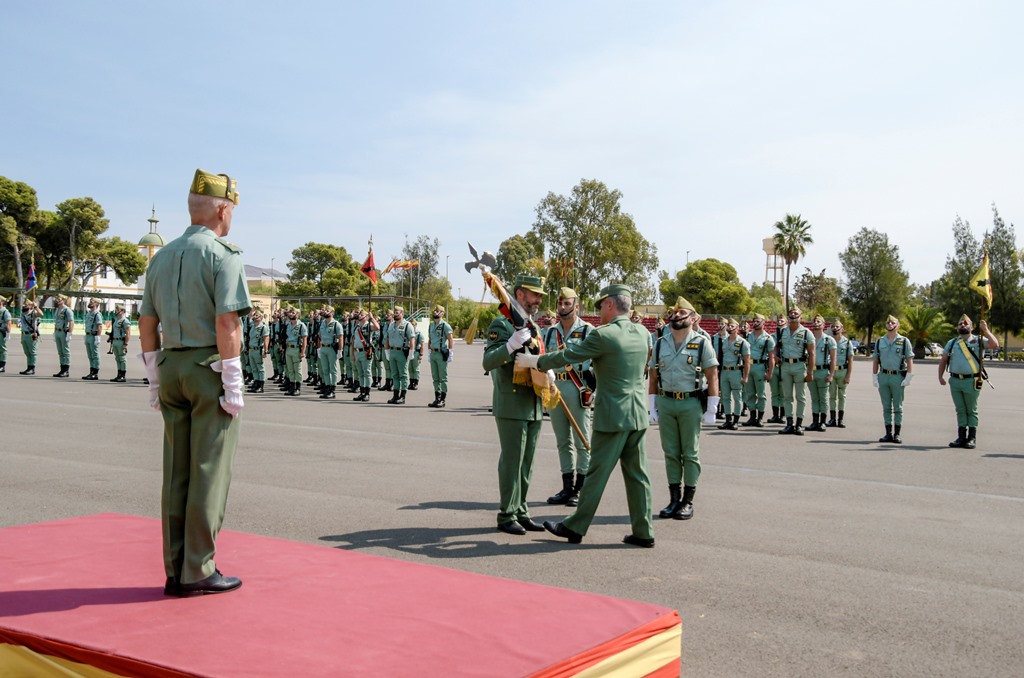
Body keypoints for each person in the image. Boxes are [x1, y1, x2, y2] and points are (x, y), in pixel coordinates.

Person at [138, 168, 250, 597]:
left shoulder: (162, 257)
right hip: (208, 369)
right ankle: (199, 568)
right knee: (208, 470)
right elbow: (228, 321)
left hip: (171, 368)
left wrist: (153, 376)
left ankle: (174, 568)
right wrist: (233, 378)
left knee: (176, 472)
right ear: (224, 209)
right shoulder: (224, 255)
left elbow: (147, 322)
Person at [522, 284, 656, 548]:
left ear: (609, 305)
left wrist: (536, 362)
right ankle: (644, 530)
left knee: (595, 474)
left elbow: (569, 355)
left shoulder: (604, 335)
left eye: (601, 306)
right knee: (639, 475)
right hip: (637, 414)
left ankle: (575, 525)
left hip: (612, 415)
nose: (600, 313)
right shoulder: (642, 332)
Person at [482, 274, 548, 536]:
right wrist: (509, 345)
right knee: (512, 460)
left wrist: (546, 369)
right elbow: (488, 362)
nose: (539, 299)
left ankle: (521, 510)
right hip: (511, 401)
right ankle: (506, 513)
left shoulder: (533, 325)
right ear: (519, 294)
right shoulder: (502, 323)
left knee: (527, 461)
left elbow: (537, 356)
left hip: (532, 401)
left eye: (540, 295)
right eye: (535, 294)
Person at [647, 297, 719, 521]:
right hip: (667, 401)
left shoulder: (702, 343)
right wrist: (652, 405)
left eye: (682, 313)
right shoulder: (660, 343)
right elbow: (653, 375)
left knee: (690, 453)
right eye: (674, 313)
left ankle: (688, 500)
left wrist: (712, 408)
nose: (676, 316)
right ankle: (673, 499)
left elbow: (712, 374)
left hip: (690, 402)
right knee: (670, 453)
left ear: (694, 318)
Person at [541, 288, 595, 507]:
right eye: (560, 303)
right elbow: (544, 359)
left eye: (567, 304)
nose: (562, 308)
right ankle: (567, 486)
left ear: (577, 305)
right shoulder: (549, 332)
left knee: (582, 440)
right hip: (555, 387)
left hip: (578, 386)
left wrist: (593, 391)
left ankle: (580, 488)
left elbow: (597, 364)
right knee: (563, 441)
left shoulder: (588, 331)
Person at [938, 314, 998, 449]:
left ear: (972, 327)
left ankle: (971, 438)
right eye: (960, 324)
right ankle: (961, 437)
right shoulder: (952, 343)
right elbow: (943, 361)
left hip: (972, 380)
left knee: (971, 410)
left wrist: (986, 330)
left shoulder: (978, 340)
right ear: (957, 327)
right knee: (960, 409)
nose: (963, 325)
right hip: (955, 380)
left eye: (966, 324)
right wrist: (940, 377)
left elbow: (995, 344)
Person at [871, 315, 914, 443]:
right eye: (888, 322)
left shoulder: (904, 341)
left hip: (897, 376)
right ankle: (888, 433)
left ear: (898, 325)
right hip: (883, 375)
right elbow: (876, 360)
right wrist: (874, 376)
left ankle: (897, 434)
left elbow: (909, 359)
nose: (890, 324)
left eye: (893, 322)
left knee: (898, 407)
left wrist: (908, 377)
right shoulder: (880, 341)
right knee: (886, 406)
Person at [776, 307, 816, 435]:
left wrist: (810, 373)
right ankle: (789, 423)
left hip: (799, 366)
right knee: (787, 396)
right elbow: (777, 346)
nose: (793, 315)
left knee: (800, 397)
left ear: (801, 317)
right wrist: (776, 355)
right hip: (786, 365)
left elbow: (812, 354)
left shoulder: (806, 333)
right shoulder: (782, 332)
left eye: (796, 313)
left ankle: (798, 424)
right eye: (791, 313)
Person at [741, 313, 775, 427]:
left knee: (761, 394)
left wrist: (770, 373)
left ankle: (760, 417)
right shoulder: (747, 337)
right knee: (749, 393)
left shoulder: (768, 338)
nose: (755, 323)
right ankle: (752, 416)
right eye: (754, 321)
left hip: (760, 367)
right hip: (748, 366)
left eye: (758, 321)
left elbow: (771, 357)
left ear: (763, 322)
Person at [716, 318, 749, 430]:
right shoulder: (724, 341)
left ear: (737, 328)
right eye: (729, 326)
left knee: (737, 397)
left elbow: (747, 361)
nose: (730, 327)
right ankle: (728, 420)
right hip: (725, 371)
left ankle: (736, 421)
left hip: (736, 371)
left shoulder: (742, 342)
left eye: (732, 326)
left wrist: (745, 376)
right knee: (725, 397)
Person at [805, 315, 837, 432]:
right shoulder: (809, 338)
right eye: (814, 321)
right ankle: (815, 421)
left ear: (824, 325)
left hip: (823, 371)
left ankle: (822, 422)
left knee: (823, 398)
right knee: (814, 398)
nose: (816, 323)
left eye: (819, 321)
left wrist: (831, 374)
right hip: (811, 371)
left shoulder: (829, 340)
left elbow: (833, 359)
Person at [384, 305, 416, 404]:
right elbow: (388, 338)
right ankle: (395, 395)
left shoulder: (407, 325)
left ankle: (402, 396)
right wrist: (387, 350)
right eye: (394, 312)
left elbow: (412, 339)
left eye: (397, 312)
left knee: (403, 374)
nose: (395, 314)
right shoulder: (391, 325)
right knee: (395, 374)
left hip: (402, 351)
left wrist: (411, 351)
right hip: (393, 351)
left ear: (402, 313)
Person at [427, 305, 455, 408]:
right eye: (434, 311)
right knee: (435, 377)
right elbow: (430, 339)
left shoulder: (445, 325)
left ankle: (443, 399)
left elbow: (450, 339)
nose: (435, 312)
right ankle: (436, 398)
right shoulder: (431, 325)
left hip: (441, 353)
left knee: (443, 377)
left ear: (442, 313)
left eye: (438, 311)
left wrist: (451, 352)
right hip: (433, 353)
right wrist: (429, 351)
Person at [827, 321, 853, 427]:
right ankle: (832, 419)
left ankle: (840, 419)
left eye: (837, 326)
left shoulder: (847, 343)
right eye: (833, 326)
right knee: (832, 396)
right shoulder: (828, 341)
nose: (835, 328)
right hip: (831, 371)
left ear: (842, 328)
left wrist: (848, 376)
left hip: (842, 371)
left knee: (842, 396)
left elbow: (850, 360)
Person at [316, 306, 341, 399]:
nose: (325, 312)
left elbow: (340, 337)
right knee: (325, 370)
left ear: (332, 313)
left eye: (328, 310)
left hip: (331, 348)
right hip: (323, 348)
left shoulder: (336, 324)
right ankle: (327, 387)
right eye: (325, 310)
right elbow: (319, 336)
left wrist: (340, 350)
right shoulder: (322, 323)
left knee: (333, 370)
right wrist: (319, 348)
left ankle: (332, 390)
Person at [284, 307, 308, 396]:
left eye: (293, 313)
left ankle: (297, 388)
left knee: (297, 369)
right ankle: (291, 386)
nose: (291, 314)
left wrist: (302, 352)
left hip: (296, 349)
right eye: (290, 313)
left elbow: (304, 339)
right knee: (290, 369)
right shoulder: (288, 325)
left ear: (297, 314)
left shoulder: (302, 325)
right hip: (289, 348)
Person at [245, 309, 269, 393]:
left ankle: (261, 385)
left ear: (261, 317)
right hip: (251, 349)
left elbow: (266, 339)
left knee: (260, 368)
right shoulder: (252, 326)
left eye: (257, 315)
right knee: (254, 368)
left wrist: (265, 351)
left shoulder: (263, 327)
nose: (255, 317)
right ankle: (256, 383)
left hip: (258, 349)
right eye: (254, 315)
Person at [81, 298, 104, 380]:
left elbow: (100, 326)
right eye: (90, 301)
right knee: (90, 355)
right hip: (88, 335)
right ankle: (91, 371)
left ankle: (95, 373)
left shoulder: (97, 314)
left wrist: (98, 337)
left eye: (92, 302)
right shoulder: (89, 313)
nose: (90, 303)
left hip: (94, 336)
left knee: (95, 355)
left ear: (96, 304)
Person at [52, 294, 74, 377]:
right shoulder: (57, 309)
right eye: (57, 299)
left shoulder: (67, 310)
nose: (58, 300)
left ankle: (66, 370)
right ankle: (62, 369)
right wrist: (54, 332)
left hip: (64, 332)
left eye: (60, 299)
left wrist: (69, 334)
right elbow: (56, 321)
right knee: (60, 352)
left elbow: (71, 322)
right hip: (58, 331)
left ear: (64, 300)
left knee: (66, 352)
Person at [109, 304, 131, 382]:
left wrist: (126, 343)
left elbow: (128, 333)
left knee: (122, 358)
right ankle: (119, 374)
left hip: (121, 341)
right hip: (115, 341)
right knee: (117, 358)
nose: (116, 311)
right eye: (116, 309)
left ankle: (122, 375)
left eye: (118, 310)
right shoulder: (116, 320)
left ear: (122, 311)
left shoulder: (125, 321)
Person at [19, 301, 41, 375]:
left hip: (31, 334)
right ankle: (28, 367)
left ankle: (32, 368)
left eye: (26, 304)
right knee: (27, 352)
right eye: (24, 304)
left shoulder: (33, 313)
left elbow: (41, 314)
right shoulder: (23, 314)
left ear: (30, 306)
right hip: (24, 335)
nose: (24, 305)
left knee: (33, 352)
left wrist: (36, 307)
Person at [407, 317, 426, 390]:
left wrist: (421, 354)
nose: (412, 326)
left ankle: (416, 382)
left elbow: (422, 344)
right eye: (411, 324)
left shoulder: (419, 333)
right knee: (410, 368)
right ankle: (411, 382)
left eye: (413, 324)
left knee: (416, 368)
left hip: (416, 352)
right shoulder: (407, 333)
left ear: (416, 325)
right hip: (409, 352)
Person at [0, 295, 11, 373]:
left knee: (2, 349)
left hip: (1, 332)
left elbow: (8, 323)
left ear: (2, 302)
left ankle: (2, 365)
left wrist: (8, 334)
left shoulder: (5, 311)